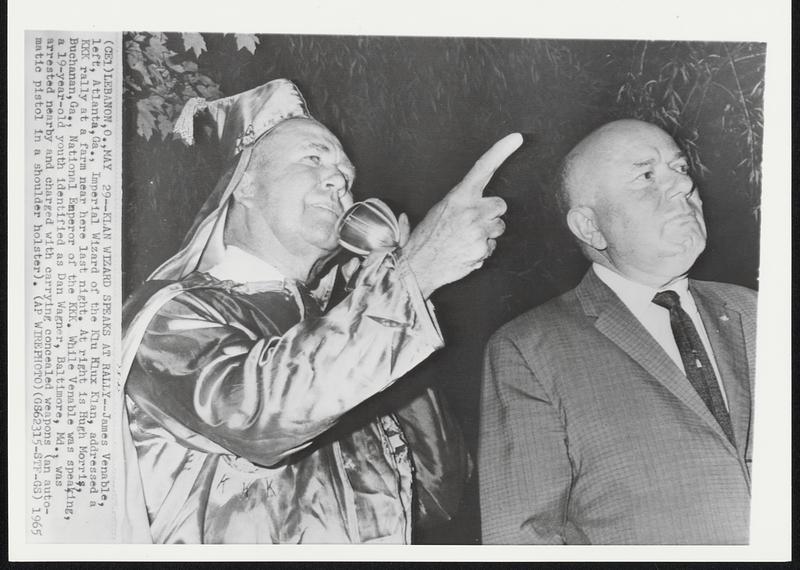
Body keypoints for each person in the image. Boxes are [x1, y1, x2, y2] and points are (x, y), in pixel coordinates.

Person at [118, 78, 522, 543]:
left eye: (346, 175)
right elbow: (259, 415)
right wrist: (410, 280)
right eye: (313, 159)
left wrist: (398, 299)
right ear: (243, 182)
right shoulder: (172, 315)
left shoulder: (339, 325)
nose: (340, 182)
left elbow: (436, 492)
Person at [479, 119, 756, 544]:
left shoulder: (757, 310)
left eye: (680, 169)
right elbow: (523, 539)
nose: (682, 186)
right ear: (590, 226)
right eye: (647, 176)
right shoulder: (528, 349)